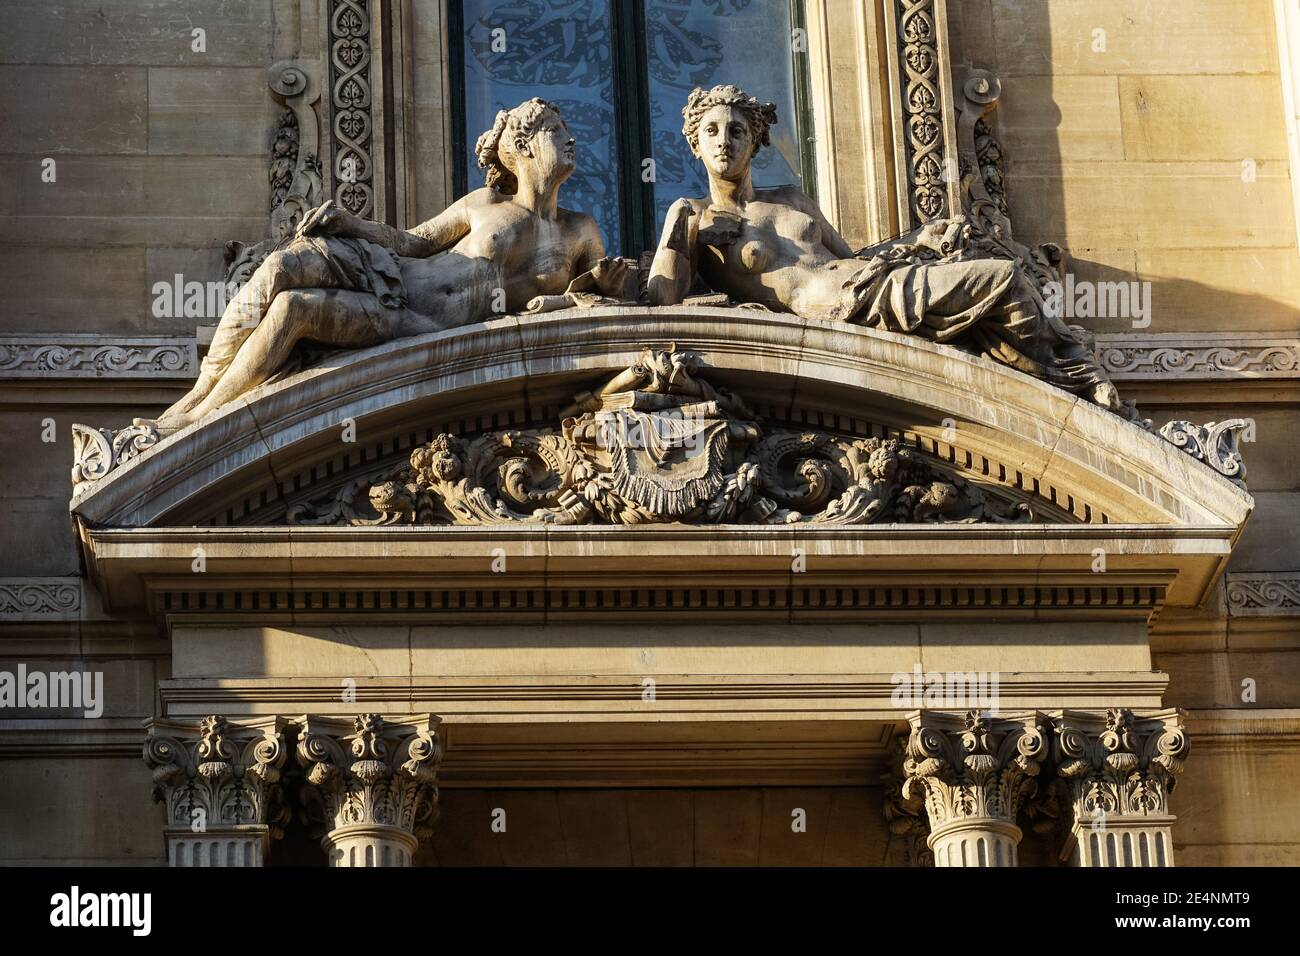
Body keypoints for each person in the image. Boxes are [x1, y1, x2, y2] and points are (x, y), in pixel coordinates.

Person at [145, 97, 628, 433]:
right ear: (523, 148)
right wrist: (351, 224)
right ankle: (197, 400)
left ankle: (205, 411)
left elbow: (601, 300)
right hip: (394, 275)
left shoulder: (581, 230)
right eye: (557, 131)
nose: (571, 140)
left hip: (414, 325)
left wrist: (562, 300)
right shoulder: (483, 202)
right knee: (279, 270)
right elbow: (415, 242)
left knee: (294, 310)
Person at [647, 84, 1122, 411]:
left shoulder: (791, 199)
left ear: (755, 141)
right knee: (999, 281)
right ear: (694, 144)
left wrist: (919, 238)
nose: (724, 142)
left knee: (1002, 274)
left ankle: (1062, 377)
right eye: (711, 131)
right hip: (831, 310)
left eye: (736, 131)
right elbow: (662, 300)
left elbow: (856, 254)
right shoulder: (695, 214)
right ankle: (1072, 379)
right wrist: (681, 229)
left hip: (870, 283)